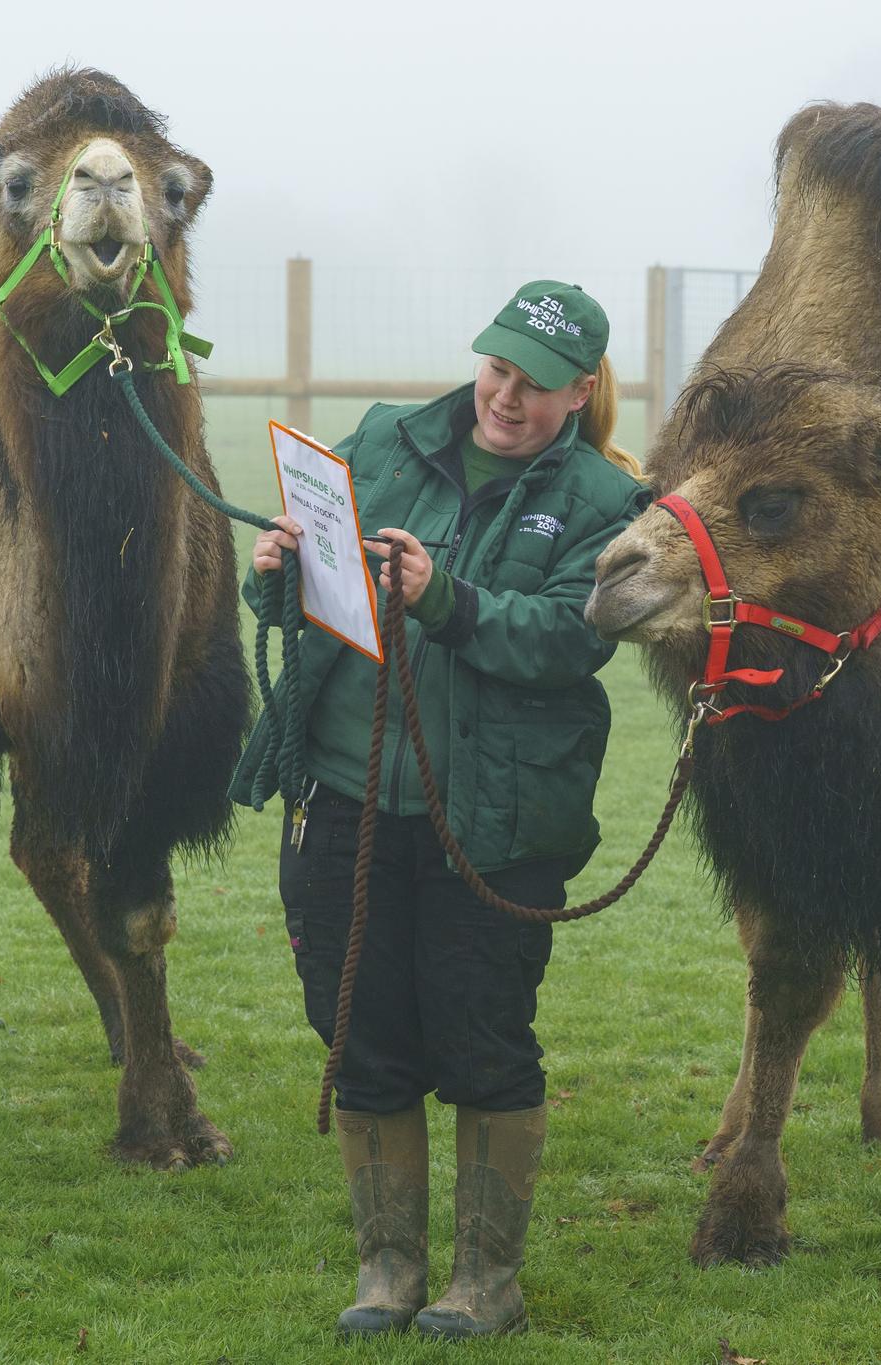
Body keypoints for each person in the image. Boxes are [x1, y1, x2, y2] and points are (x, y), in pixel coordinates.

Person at [233, 281, 649, 1339]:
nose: (505, 397)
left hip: (494, 822)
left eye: (535, 384)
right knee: (358, 1035)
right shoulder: (379, 444)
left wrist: (444, 598)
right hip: (344, 798)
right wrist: (278, 574)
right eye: (496, 369)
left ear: (579, 393)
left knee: (481, 1040)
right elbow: (321, 598)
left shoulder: (603, 500)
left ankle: (484, 1283)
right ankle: (386, 1271)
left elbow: (568, 638)